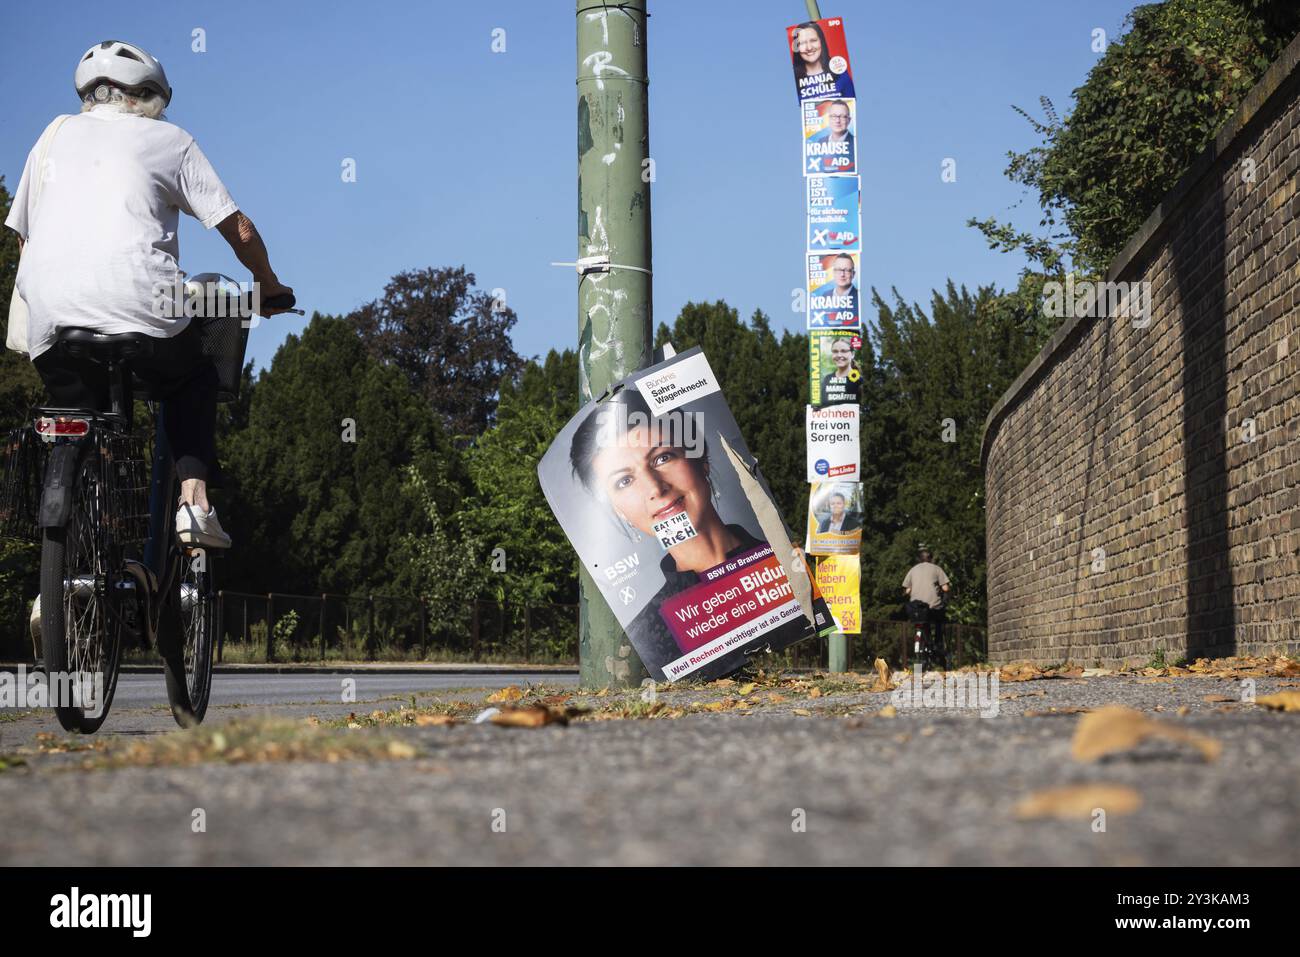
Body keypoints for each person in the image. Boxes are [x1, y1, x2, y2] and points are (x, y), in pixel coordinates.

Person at [4, 40, 294, 552]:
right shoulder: (170, 141)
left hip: (51, 318)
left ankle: (55, 588)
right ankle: (194, 503)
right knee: (193, 375)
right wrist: (268, 287)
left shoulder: (51, 136)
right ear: (145, 97)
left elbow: (23, 238)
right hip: (143, 311)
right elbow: (239, 230)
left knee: (83, 413)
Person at [569, 389, 766, 667]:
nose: (654, 488)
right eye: (624, 481)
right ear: (619, 512)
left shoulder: (786, 567)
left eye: (663, 458)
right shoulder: (643, 639)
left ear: (701, 460)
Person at [903, 547, 951, 665]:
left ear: (919, 559)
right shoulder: (937, 569)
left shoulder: (912, 570)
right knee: (939, 622)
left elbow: (907, 590)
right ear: (931, 558)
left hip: (916, 608)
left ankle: (923, 652)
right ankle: (938, 645)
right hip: (933, 606)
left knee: (923, 622)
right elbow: (946, 588)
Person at [790, 22, 855, 99]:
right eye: (803, 43)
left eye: (813, 40)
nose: (809, 47)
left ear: (821, 42)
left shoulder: (840, 74)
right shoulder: (795, 81)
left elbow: (851, 105)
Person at [818, 336, 860, 405]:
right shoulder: (827, 379)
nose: (839, 355)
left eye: (843, 351)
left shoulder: (859, 380)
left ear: (852, 354)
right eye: (835, 351)